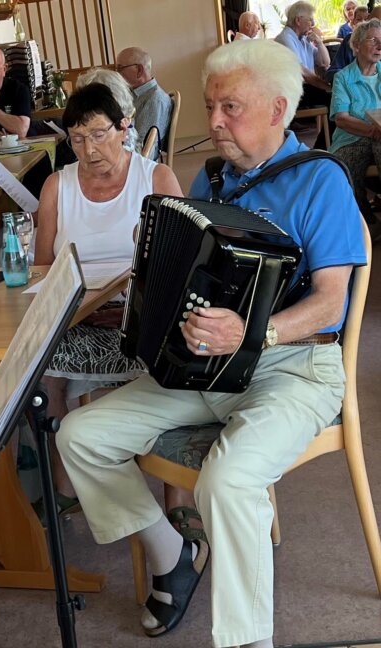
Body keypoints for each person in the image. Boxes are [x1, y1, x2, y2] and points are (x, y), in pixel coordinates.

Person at [57, 39, 365, 647]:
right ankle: (173, 554)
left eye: (231, 107)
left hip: (295, 366)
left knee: (227, 479)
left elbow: (332, 303)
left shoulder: (321, 179)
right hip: (207, 367)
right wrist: (155, 260)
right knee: (80, 435)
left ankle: (250, 641)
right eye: (210, 106)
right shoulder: (214, 178)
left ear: (278, 109)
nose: (215, 122)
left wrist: (254, 332)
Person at [31, 82, 181, 513]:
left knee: (171, 363)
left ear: (124, 127)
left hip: (141, 317)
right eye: (77, 139)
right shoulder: (57, 186)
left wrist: (133, 309)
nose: (89, 149)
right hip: (78, 317)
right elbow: (43, 269)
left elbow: (181, 266)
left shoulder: (155, 178)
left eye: (98, 134)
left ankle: (178, 502)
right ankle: (65, 487)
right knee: (38, 370)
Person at [329, 18, 381, 231]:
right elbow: (341, 118)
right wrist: (371, 130)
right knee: (342, 167)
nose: (380, 46)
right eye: (373, 40)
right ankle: (364, 221)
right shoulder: (343, 77)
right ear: (357, 45)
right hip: (352, 139)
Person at [116, 47, 173, 160]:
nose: (117, 73)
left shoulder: (155, 100)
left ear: (139, 70)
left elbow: (144, 152)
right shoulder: (135, 95)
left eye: (120, 68)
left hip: (137, 164)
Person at [275, 1, 332, 104]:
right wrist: (327, 87)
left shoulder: (304, 39)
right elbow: (303, 73)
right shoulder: (285, 38)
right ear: (298, 20)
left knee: (339, 96)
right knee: (335, 98)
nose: (313, 24)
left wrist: (319, 43)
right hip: (294, 94)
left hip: (306, 89)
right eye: (310, 20)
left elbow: (325, 63)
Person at [328, 5, 371, 82]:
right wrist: (350, 77)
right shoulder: (349, 39)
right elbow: (332, 72)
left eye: (367, 20)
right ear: (353, 21)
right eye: (359, 19)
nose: (363, 23)